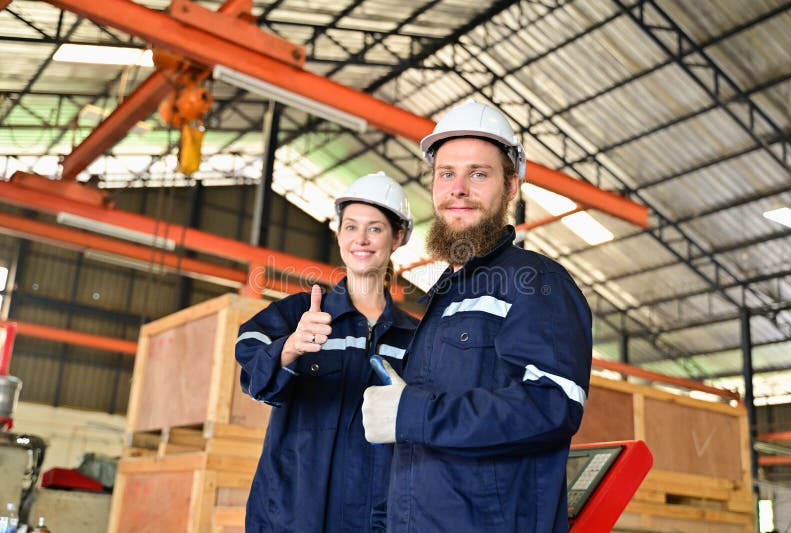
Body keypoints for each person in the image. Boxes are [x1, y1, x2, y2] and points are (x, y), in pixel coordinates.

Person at [362, 100, 593, 533]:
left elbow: (553, 404)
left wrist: (412, 413)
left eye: (479, 174)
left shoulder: (537, 282)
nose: (458, 188)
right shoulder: (443, 298)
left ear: (511, 187)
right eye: (446, 174)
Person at [236, 171, 419, 532]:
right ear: (338, 235)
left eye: (375, 229)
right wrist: (289, 348)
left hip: (374, 519)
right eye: (350, 227)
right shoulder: (300, 314)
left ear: (397, 237)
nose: (361, 239)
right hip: (290, 514)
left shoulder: (413, 337)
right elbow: (250, 356)